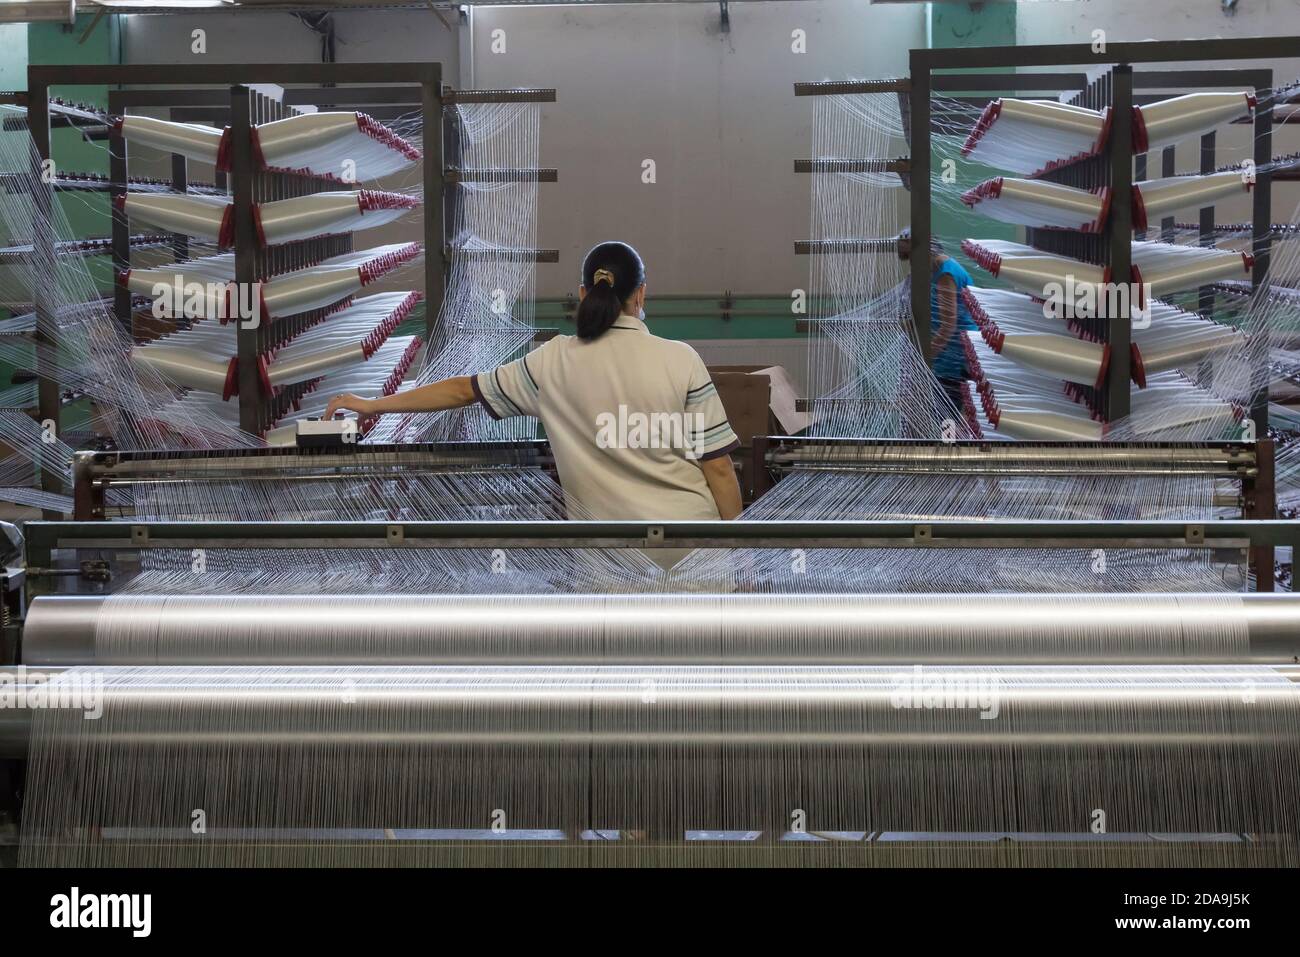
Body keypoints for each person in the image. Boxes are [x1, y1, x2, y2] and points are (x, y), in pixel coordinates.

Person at [324, 240, 744, 525]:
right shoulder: (680, 360)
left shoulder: (551, 364)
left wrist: (374, 405)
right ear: (642, 295)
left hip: (612, 570)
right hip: (696, 561)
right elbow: (720, 470)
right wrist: (739, 553)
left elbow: (461, 390)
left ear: (582, 295)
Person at [896, 227, 976, 412]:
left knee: (947, 417)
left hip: (955, 360)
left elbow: (948, 326)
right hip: (945, 358)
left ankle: (949, 442)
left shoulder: (945, 275)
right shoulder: (933, 273)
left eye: (912, 257)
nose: (911, 264)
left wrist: (923, 359)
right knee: (942, 415)